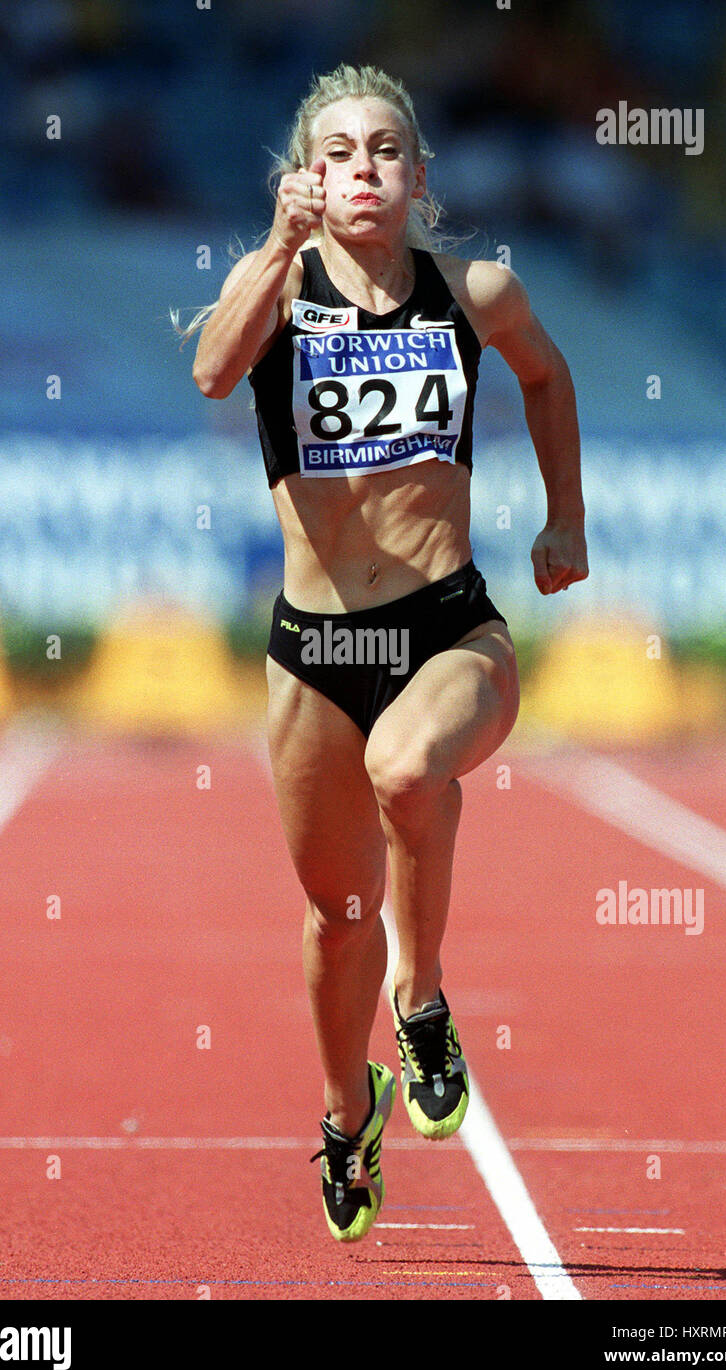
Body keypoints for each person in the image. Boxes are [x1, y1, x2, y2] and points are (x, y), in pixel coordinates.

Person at [185, 63, 587, 1242]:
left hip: (449, 628)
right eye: (339, 153)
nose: (363, 170)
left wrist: (564, 518)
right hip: (312, 651)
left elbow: (548, 375)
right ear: (307, 177)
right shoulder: (271, 293)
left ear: (417, 176)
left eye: (385, 151)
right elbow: (211, 372)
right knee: (334, 911)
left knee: (410, 772)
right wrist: (271, 244)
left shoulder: (475, 291)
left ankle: (422, 1003)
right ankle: (340, 1108)